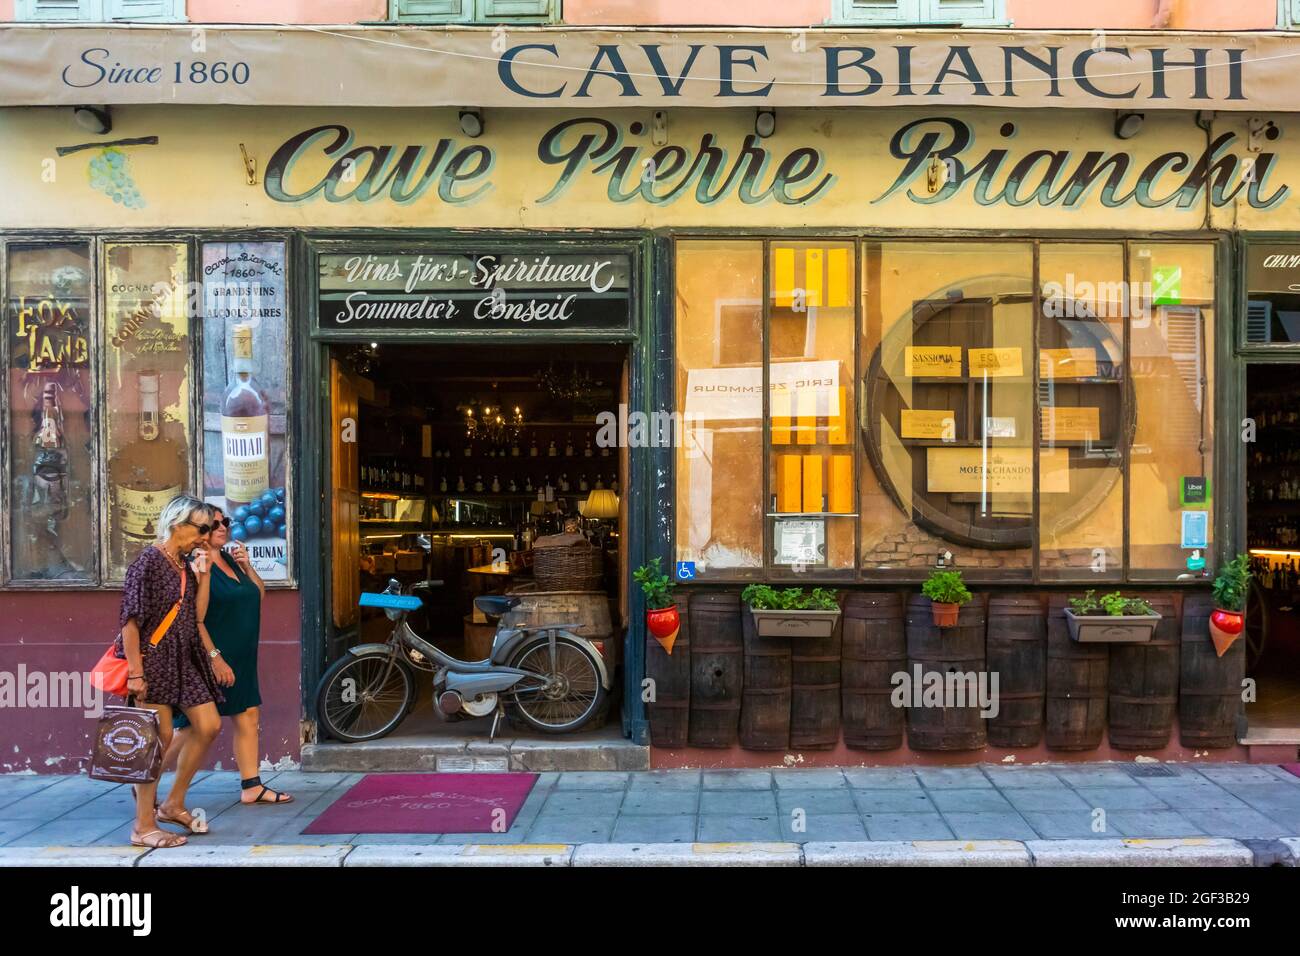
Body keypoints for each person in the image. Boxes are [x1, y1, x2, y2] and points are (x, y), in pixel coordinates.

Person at [117, 494, 224, 849]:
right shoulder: (148, 562)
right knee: (156, 743)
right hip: (153, 663)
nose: (206, 537)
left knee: (209, 724)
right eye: (202, 528)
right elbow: (130, 621)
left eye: (209, 530)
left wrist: (204, 574)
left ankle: (173, 802)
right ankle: (143, 826)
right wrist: (135, 673)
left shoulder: (182, 564)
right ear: (177, 524)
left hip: (184, 659)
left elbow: (197, 615)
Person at [166, 507, 293, 805]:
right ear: (200, 529)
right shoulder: (197, 564)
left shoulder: (227, 558)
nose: (223, 527)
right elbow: (193, 618)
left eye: (226, 522)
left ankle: (252, 785)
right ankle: (147, 781)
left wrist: (248, 567)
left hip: (242, 654)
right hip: (214, 654)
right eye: (215, 524)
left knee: (248, 713)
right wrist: (214, 657)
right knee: (188, 725)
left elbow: (256, 595)